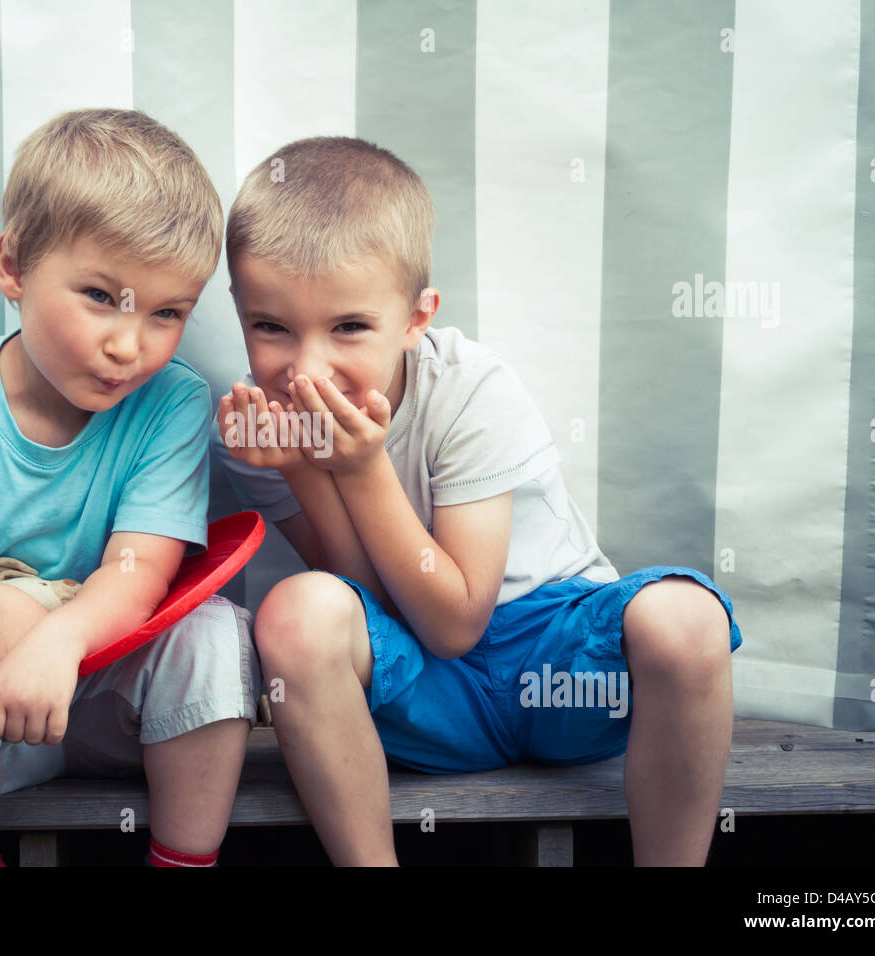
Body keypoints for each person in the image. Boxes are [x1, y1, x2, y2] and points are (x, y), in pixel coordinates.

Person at [212, 135, 744, 866]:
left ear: (416, 317)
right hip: (428, 699)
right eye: (270, 327)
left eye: (349, 328)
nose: (307, 369)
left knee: (686, 618)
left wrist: (363, 468)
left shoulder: (472, 389)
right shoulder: (259, 427)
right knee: (297, 612)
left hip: (553, 660)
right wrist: (304, 472)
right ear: (237, 309)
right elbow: (369, 599)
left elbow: (459, 618)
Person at [0, 108, 260, 867]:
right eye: (101, 296)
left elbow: (140, 572)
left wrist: (61, 641)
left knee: (215, 631)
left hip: (125, 719)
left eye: (166, 312)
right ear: (13, 267)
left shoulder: (170, 403)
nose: (127, 344)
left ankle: (182, 860)